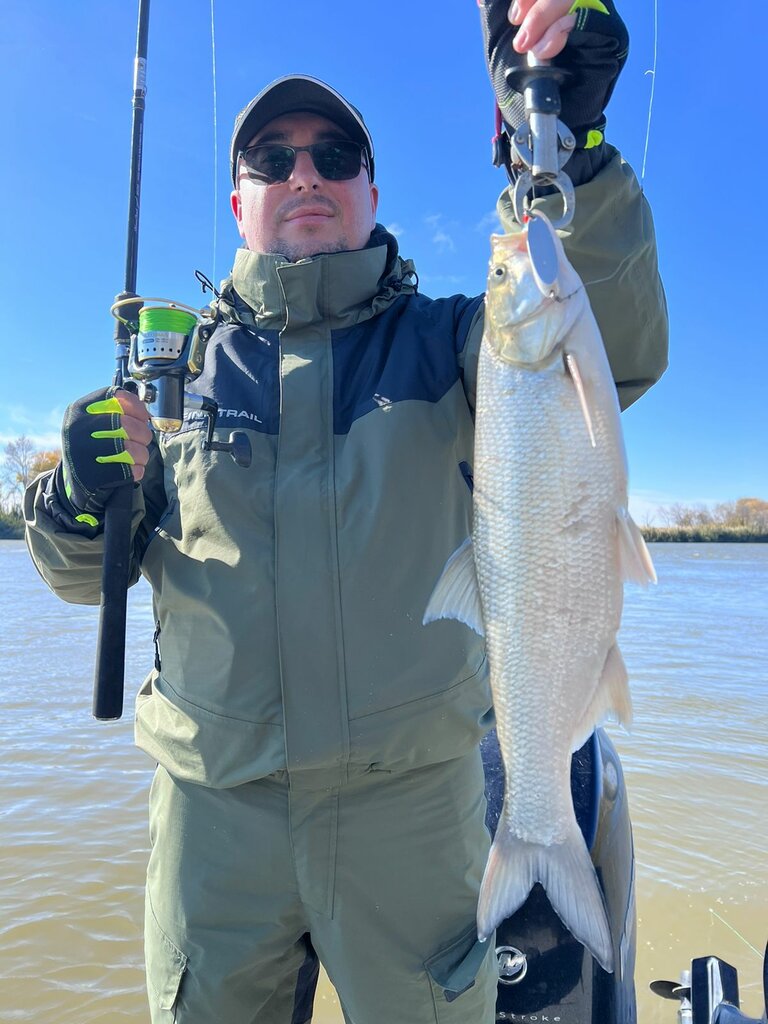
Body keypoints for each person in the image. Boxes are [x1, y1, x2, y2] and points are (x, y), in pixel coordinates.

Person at [24, 1, 668, 1021]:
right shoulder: (173, 383)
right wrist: (70, 497)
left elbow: (610, 353)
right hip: (215, 819)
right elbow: (76, 571)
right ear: (238, 200)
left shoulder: (459, 345)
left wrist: (574, 150)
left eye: (333, 156)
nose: (304, 176)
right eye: (271, 159)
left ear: (371, 189)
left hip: (412, 808)